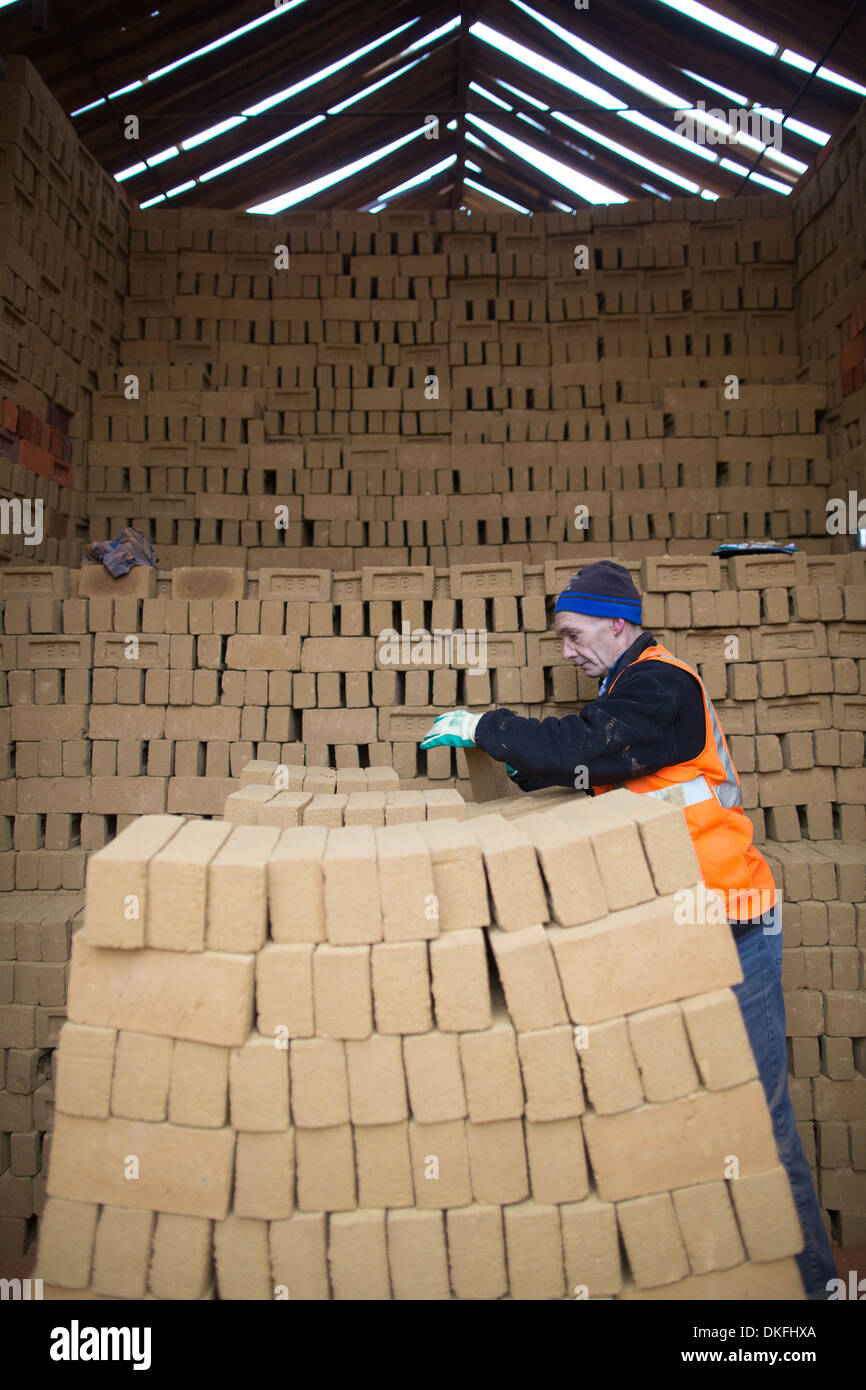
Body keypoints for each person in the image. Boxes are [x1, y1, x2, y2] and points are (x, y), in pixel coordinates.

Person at [421, 559, 837, 1300]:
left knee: (758, 1120)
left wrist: (491, 726)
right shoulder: (627, 688)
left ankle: (811, 1297)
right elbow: (596, 766)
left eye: (573, 634)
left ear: (619, 623)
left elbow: (588, 747)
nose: (566, 651)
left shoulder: (662, 684)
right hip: (674, 928)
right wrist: (514, 762)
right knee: (673, 1115)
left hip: (730, 920)